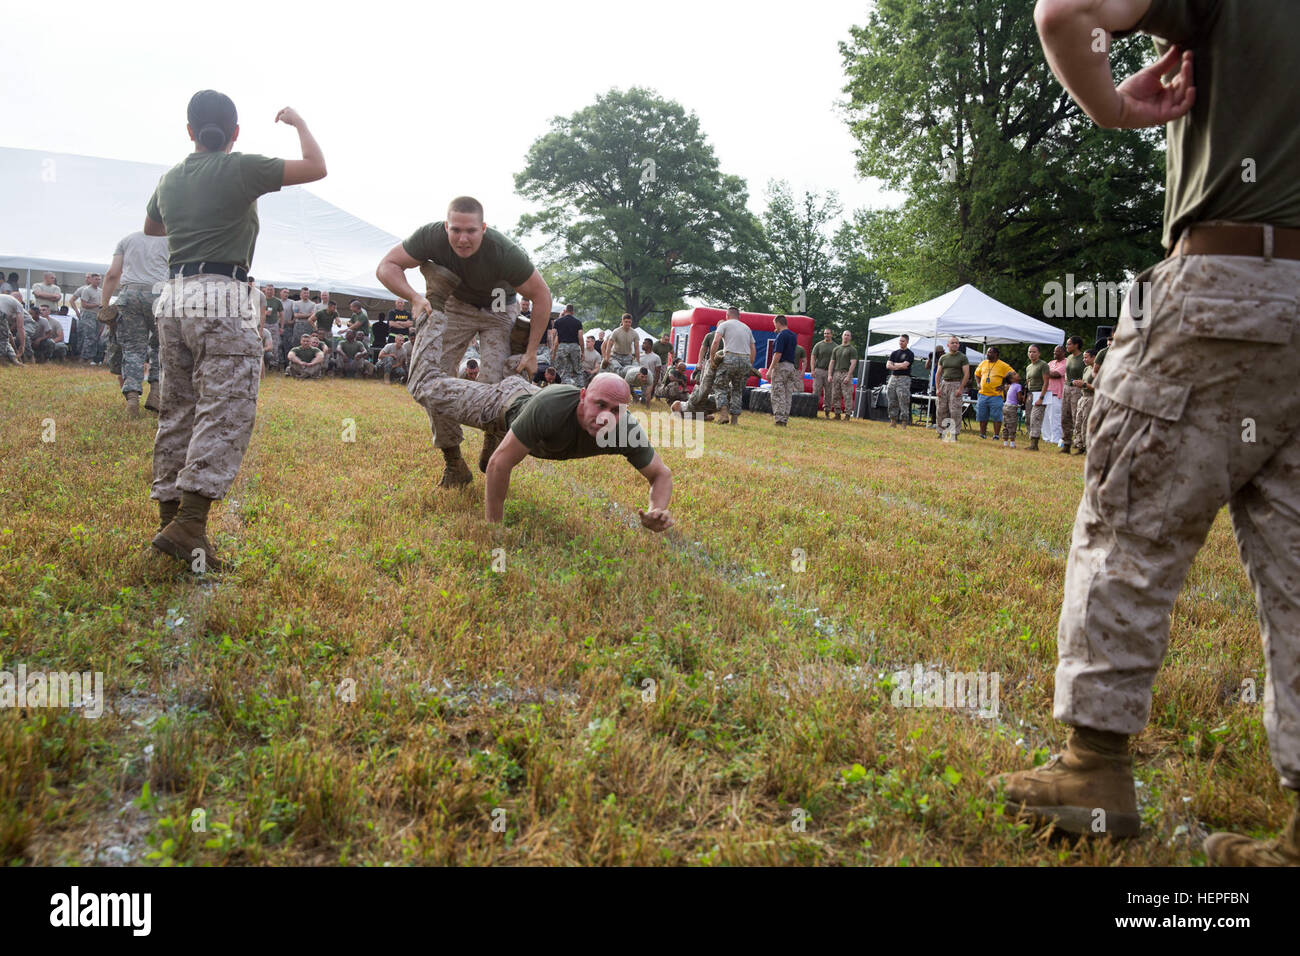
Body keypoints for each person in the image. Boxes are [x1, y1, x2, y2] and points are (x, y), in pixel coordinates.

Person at [993, 0, 1300, 866]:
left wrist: (1117, 106)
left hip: (1229, 278)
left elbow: (1068, 13)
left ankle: (1094, 768)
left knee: (1131, 522)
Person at [145, 90, 326, 571]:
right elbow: (315, 166)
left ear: (189, 131)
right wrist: (299, 121)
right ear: (235, 132)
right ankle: (190, 526)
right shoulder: (240, 167)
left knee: (177, 409)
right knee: (224, 410)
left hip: (174, 297)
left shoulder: (169, 178)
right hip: (222, 294)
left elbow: (152, 227)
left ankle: (170, 520)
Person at [376, 196, 553, 486]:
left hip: (499, 307)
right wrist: (415, 297)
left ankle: (494, 437)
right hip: (457, 305)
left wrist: (531, 352)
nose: (462, 238)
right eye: (456, 230)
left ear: (484, 228)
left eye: (471, 230)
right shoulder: (430, 236)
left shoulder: (504, 251)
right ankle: (454, 462)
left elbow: (542, 295)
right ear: (446, 226)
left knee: (496, 383)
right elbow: (387, 265)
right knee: (431, 381)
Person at [415, 369, 673, 529]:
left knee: (516, 433)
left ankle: (503, 436)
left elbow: (661, 474)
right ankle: (461, 461)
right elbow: (500, 464)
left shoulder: (623, 429)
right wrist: (494, 526)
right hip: (502, 405)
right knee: (429, 390)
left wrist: (656, 510)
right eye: (600, 404)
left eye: (616, 410)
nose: (607, 416)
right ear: (583, 396)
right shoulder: (551, 408)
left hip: (533, 406)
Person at [100, 230, 169, 416]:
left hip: (130, 295)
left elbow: (112, 274)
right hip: (160, 295)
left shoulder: (127, 240)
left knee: (132, 348)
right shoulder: (173, 241)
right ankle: (155, 392)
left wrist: (104, 306)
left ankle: (132, 399)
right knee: (161, 346)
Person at [709, 306, 756, 425]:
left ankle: (724, 415)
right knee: (737, 390)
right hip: (745, 359)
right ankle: (734, 420)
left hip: (730, 357)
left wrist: (712, 358)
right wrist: (750, 364)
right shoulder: (746, 328)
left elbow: (716, 341)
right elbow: (753, 348)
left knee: (720, 386)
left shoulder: (724, 325)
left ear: (727, 316)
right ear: (738, 316)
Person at [765, 313, 800, 426]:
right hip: (791, 367)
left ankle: (779, 418)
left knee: (777, 392)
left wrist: (770, 369)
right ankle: (784, 418)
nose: (774, 326)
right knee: (787, 393)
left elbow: (778, 354)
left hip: (781, 366)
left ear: (779, 323)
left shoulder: (781, 336)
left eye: (775, 324)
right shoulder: (793, 335)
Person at [973, 346, 1015, 439]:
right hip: (982, 394)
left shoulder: (1003, 365)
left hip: (996, 396)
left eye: (990, 352)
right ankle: (982, 434)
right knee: (982, 416)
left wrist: (1004, 385)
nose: (988, 354)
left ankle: (996, 435)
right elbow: (976, 374)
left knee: (997, 416)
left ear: (996, 354)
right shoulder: (983, 363)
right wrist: (978, 383)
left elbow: (1013, 375)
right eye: (987, 352)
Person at [935, 336, 970, 441]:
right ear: (948, 345)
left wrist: (961, 388)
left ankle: (953, 433)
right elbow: (938, 374)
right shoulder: (943, 358)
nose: (955, 344)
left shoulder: (962, 357)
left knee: (955, 411)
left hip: (956, 384)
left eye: (957, 343)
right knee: (941, 410)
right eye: (953, 343)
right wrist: (937, 388)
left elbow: (967, 374)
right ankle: (941, 432)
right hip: (944, 384)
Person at [1059, 335, 1086, 454]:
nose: (1067, 346)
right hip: (1067, 387)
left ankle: (1080, 444)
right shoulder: (1069, 357)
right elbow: (1066, 372)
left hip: (1077, 389)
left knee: (1077, 417)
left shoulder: (1082, 358)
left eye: (1069, 344)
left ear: (1076, 345)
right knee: (1065, 416)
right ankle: (1066, 444)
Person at [1022, 345, 1050, 451]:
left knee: (1035, 418)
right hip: (1030, 395)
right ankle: (1031, 441)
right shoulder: (1028, 367)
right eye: (1029, 352)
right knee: (1028, 418)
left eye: (1034, 352)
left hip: (1040, 393)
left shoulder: (1043, 365)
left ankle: (1035, 443)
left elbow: (1046, 382)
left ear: (1039, 353)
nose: (1031, 354)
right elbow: (1028, 382)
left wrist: (1041, 398)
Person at [1069, 349, 1096, 455]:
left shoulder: (1098, 370)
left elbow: (1098, 387)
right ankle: (1080, 445)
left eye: (1086, 357)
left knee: (1086, 423)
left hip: (1091, 398)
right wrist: (1078, 383)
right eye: (1083, 357)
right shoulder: (1086, 369)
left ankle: (1088, 447)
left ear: (1094, 357)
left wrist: (1084, 384)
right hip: (1083, 397)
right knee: (1078, 422)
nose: (1084, 359)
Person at [885, 334, 916, 427]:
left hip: (904, 378)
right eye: (900, 341)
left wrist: (894, 365)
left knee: (903, 400)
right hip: (893, 377)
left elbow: (905, 365)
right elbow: (888, 365)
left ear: (907, 342)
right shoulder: (894, 353)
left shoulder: (910, 354)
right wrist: (898, 365)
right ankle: (893, 421)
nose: (901, 342)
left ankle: (904, 422)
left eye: (903, 341)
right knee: (891, 399)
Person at [71, 274, 103, 363]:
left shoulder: (101, 291)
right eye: (96, 279)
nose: (98, 281)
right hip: (88, 314)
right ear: (91, 280)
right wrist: (97, 305)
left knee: (95, 336)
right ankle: (84, 357)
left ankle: (91, 357)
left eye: (99, 279)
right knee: (89, 336)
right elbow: (84, 305)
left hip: (98, 315)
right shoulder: (86, 290)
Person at [827, 331, 857, 421]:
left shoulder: (852, 349)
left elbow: (853, 363)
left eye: (848, 335)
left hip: (846, 373)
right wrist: (829, 374)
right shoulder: (836, 349)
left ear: (850, 338)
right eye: (845, 335)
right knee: (835, 394)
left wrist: (848, 376)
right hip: (836, 373)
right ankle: (837, 414)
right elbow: (832, 362)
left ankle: (847, 415)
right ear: (842, 336)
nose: (846, 337)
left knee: (847, 395)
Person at [551, 303, 583, 384]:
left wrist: (553, 350)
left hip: (562, 347)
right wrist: (583, 351)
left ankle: (561, 388)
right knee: (577, 371)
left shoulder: (558, 321)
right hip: (574, 347)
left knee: (561, 370)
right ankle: (579, 389)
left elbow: (553, 335)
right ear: (573, 312)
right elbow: (580, 337)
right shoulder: (578, 322)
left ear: (565, 311)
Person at [1044, 344, 1067, 444]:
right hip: (1047, 393)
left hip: (1057, 395)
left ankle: (1056, 439)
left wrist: (1044, 372)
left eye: (1057, 351)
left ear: (1063, 352)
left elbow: (1055, 375)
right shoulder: (1051, 363)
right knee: (1046, 418)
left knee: (1055, 418)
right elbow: (1045, 374)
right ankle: (1047, 438)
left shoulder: (1066, 363)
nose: (1054, 353)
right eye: (1054, 351)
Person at [810, 328, 835, 418]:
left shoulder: (835, 347)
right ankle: (812, 411)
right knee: (816, 391)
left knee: (828, 392)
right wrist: (812, 370)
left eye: (828, 333)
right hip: (819, 371)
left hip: (830, 372)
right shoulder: (818, 345)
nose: (826, 335)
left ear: (832, 334)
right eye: (825, 333)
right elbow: (813, 357)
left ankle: (827, 412)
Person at [639, 338, 662, 404]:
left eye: (644, 343)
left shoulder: (656, 357)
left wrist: (654, 385)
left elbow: (658, 372)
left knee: (645, 400)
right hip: (642, 379)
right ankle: (637, 396)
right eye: (643, 343)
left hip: (651, 380)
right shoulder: (640, 356)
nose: (642, 345)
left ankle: (653, 394)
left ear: (649, 345)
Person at [1001, 376, 1022, 448]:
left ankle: (1005, 442)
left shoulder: (1010, 386)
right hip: (1012, 407)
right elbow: (1019, 398)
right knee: (1012, 424)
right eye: (1015, 374)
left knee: (1006, 424)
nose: (1017, 375)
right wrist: (1021, 402)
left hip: (1005, 406)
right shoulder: (1018, 386)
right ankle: (1012, 443)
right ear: (1011, 379)